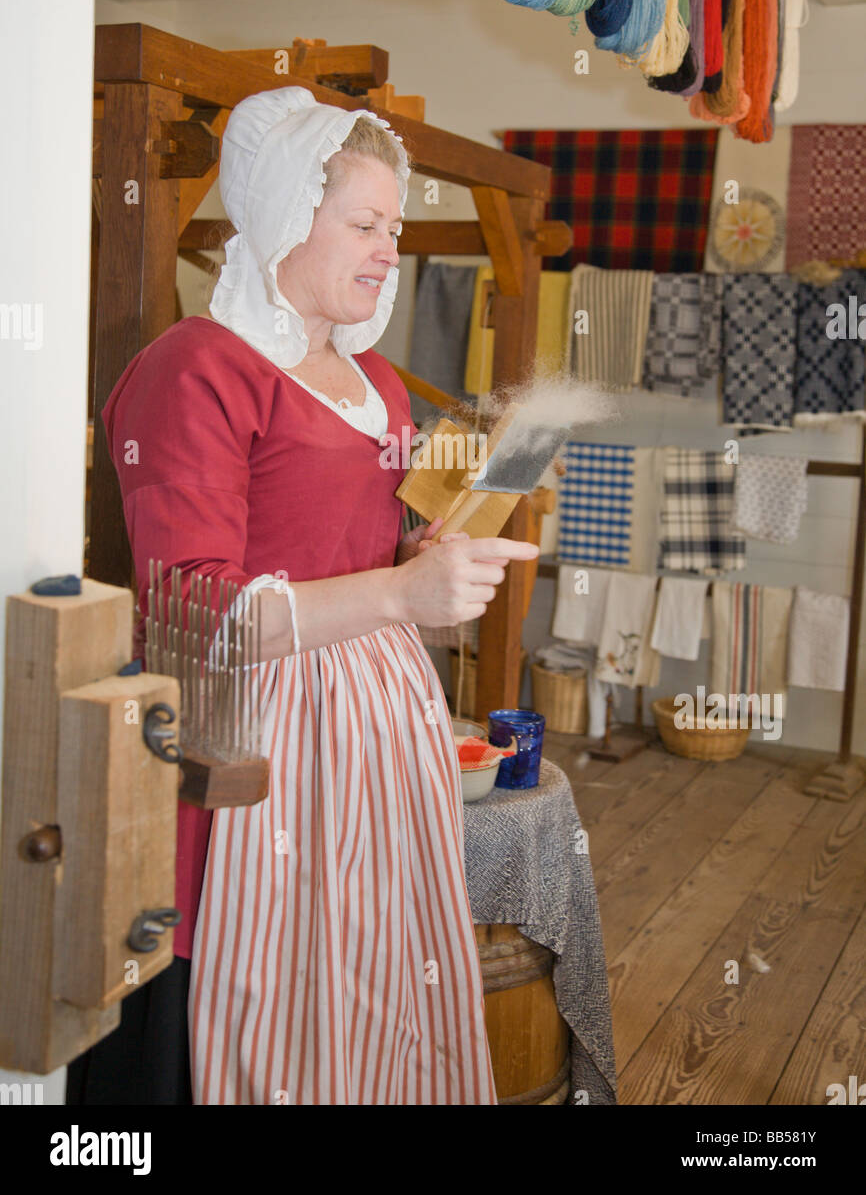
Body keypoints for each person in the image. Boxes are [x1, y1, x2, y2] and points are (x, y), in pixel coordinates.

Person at [72, 88, 537, 1106]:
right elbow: (191, 612)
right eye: (363, 224)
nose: (386, 251)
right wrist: (398, 590)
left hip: (375, 729)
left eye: (395, 228)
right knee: (247, 985)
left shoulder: (380, 382)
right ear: (287, 213)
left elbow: (364, 543)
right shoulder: (196, 368)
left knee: (372, 975)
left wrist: (427, 548)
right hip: (249, 737)